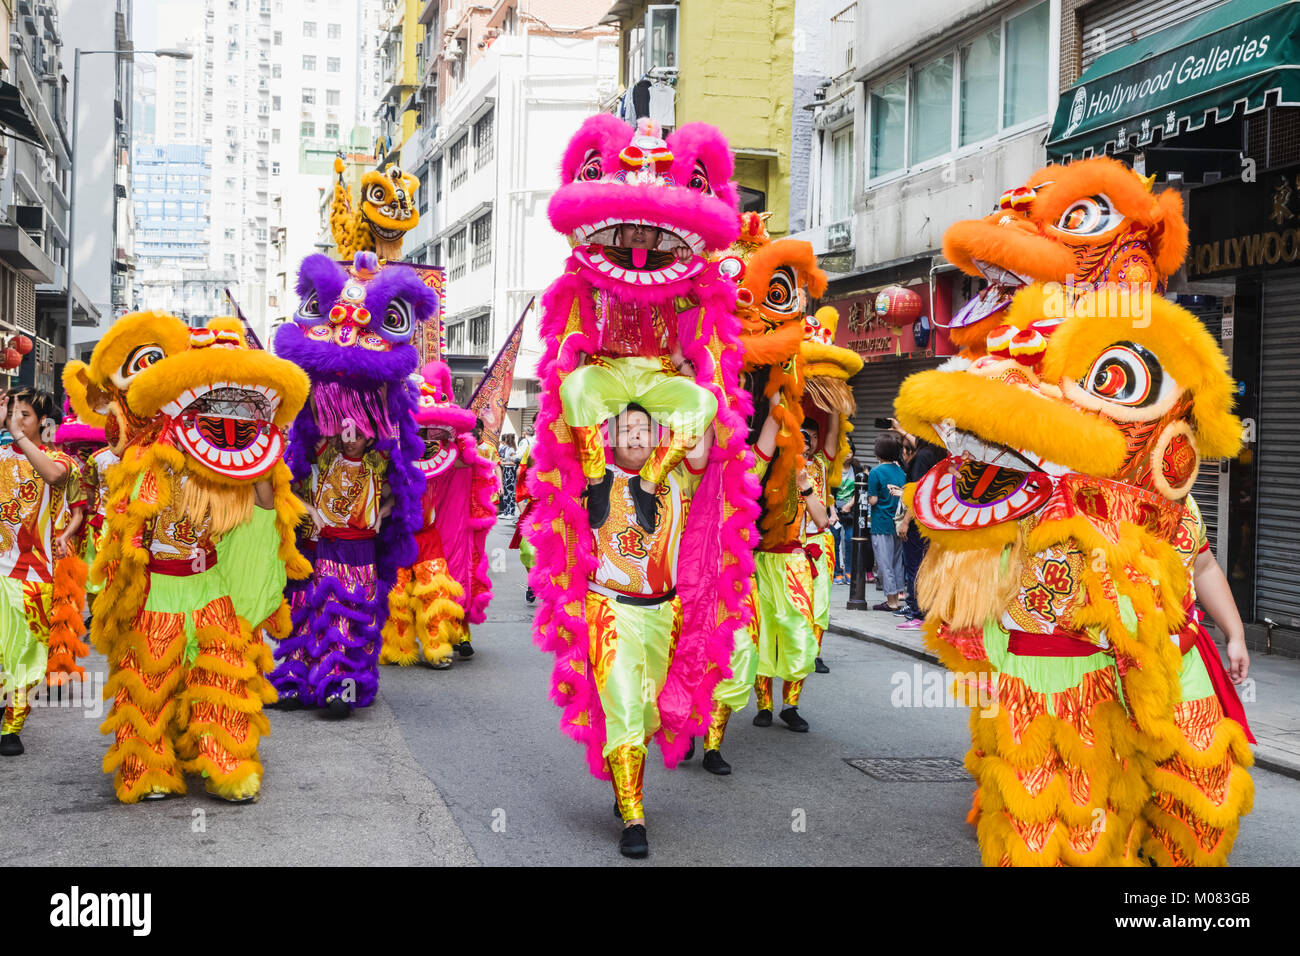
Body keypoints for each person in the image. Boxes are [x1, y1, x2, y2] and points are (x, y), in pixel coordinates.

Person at [585, 403, 712, 857]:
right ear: (611, 437)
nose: (636, 436)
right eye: (626, 428)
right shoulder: (593, 479)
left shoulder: (677, 480)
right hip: (608, 611)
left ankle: (624, 780)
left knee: (647, 713)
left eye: (644, 427)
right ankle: (634, 818)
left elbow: (700, 431)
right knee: (623, 708)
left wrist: (684, 371)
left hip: (663, 615)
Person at [271, 433, 391, 717]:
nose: (350, 440)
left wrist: (382, 514)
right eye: (344, 433)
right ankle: (304, 680)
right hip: (316, 548)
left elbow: (402, 494)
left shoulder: (377, 463)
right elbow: (287, 491)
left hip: (358, 550)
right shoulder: (318, 457)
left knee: (354, 616)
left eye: (358, 435)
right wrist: (310, 511)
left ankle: (342, 685)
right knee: (309, 616)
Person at [0, 388, 80, 756]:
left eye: (25, 414)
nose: (16, 419)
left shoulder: (60, 460)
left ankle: (11, 727)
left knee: (26, 655)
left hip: (32, 577)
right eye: (11, 411)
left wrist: (16, 435)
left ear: (44, 422)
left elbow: (52, 478)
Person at [895, 436, 945, 629]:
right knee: (929, 566)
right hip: (935, 520)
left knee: (915, 567)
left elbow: (917, 491)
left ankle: (918, 612)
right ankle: (928, 611)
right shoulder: (940, 455)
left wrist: (906, 521)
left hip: (918, 521)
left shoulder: (922, 457)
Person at [801, 420, 835, 675]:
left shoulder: (822, 464)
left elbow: (833, 432)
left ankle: (815, 653)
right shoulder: (785, 465)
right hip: (793, 544)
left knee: (821, 604)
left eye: (813, 437)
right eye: (805, 436)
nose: (809, 442)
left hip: (820, 541)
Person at [867, 432, 906, 612]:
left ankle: (891, 601)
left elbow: (873, 500)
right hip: (898, 523)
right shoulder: (901, 472)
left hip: (881, 522)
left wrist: (867, 498)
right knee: (897, 561)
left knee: (884, 563)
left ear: (878, 453)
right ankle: (899, 595)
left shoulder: (875, 472)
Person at [832, 446, 859, 584]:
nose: (846, 454)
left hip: (850, 511)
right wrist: (832, 511)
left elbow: (859, 490)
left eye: (849, 451)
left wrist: (849, 505)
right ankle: (837, 573)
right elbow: (828, 492)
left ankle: (848, 570)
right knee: (835, 540)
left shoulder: (857, 469)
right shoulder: (833, 468)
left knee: (850, 540)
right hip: (834, 510)